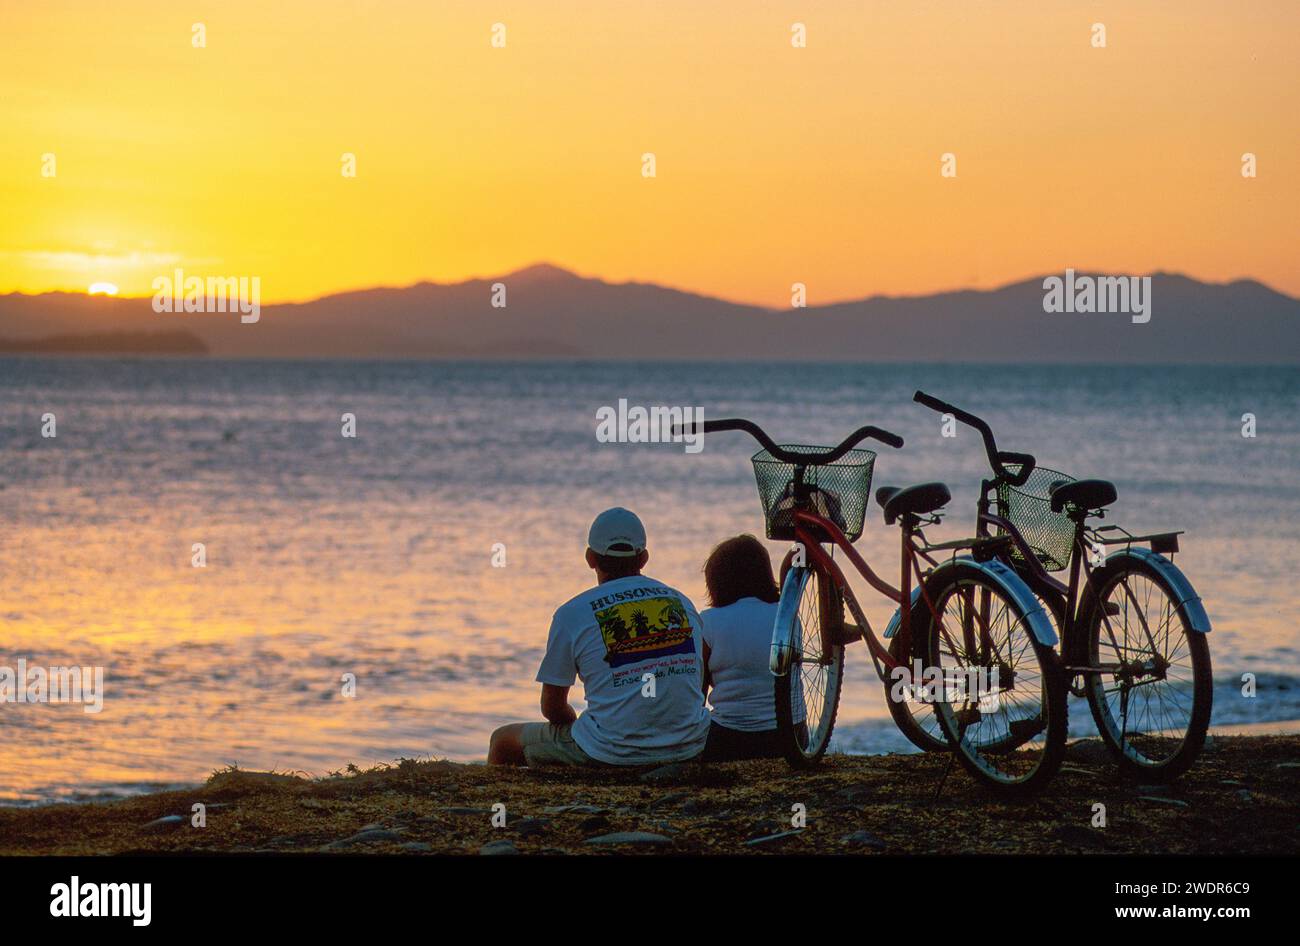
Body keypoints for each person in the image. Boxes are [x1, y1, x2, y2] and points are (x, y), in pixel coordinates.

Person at [487, 507, 710, 767]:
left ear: (590, 558)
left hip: (611, 753)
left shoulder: (571, 614)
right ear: (644, 558)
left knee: (502, 740)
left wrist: (580, 729)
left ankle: (502, 800)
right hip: (691, 745)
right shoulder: (681, 602)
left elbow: (552, 708)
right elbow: (697, 682)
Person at [698, 534, 798, 761]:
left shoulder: (709, 621)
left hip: (730, 736)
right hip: (791, 735)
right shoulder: (787, 616)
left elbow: (699, 691)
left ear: (716, 581)